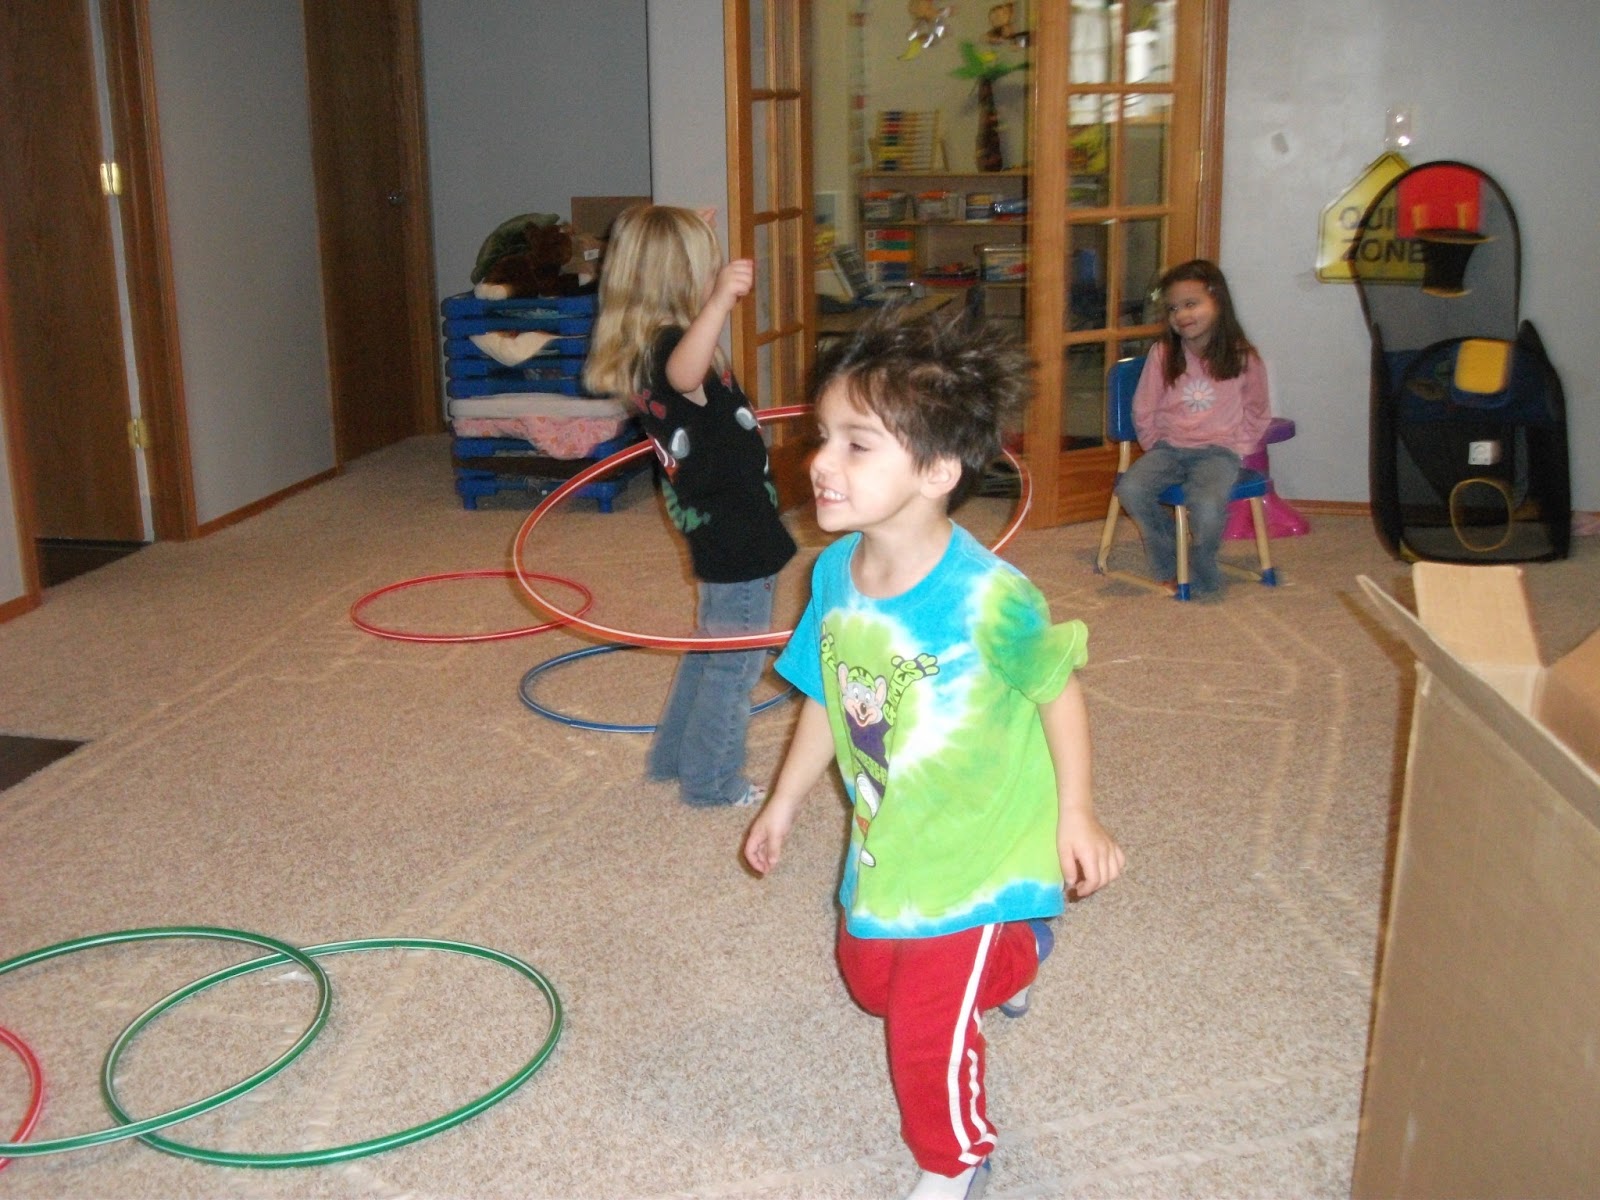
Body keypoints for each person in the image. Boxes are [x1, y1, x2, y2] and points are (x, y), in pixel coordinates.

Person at [742, 309, 1125, 1200]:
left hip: (980, 850)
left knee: (922, 1027)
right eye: (821, 437)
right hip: (894, 842)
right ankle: (1021, 947)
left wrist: (1076, 812)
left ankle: (954, 1159)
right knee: (871, 979)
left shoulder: (993, 598)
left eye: (857, 444)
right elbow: (829, 700)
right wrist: (786, 802)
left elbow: (1057, 691)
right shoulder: (832, 574)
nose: (820, 463)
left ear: (939, 471)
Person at [584, 205, 796, 807]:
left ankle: (674, 757)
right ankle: (711, 781)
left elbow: (684, 364)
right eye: (704, 268)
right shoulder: (675, 352)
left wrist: (690, 239)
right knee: (734, 665)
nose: (716, 276)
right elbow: (685, 371)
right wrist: (721, 300)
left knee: (710, 650)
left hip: (715, 528)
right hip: (739, 535)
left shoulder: (643, 344)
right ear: (684, 283)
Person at [1115, 258, 1271, 597]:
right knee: (1131, 489)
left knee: (1208, 504)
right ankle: (1170, 557)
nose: (1182, 315)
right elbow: (1145, 405)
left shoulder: (1244, 357)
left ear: (1218, 301)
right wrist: (1154, 442)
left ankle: (1202, 560)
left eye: (1191, 304)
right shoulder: (1163, 354)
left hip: (1219, 453)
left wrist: (1239, 447)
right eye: (1173, 308)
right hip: (1169, 448)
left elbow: (1258, 410)